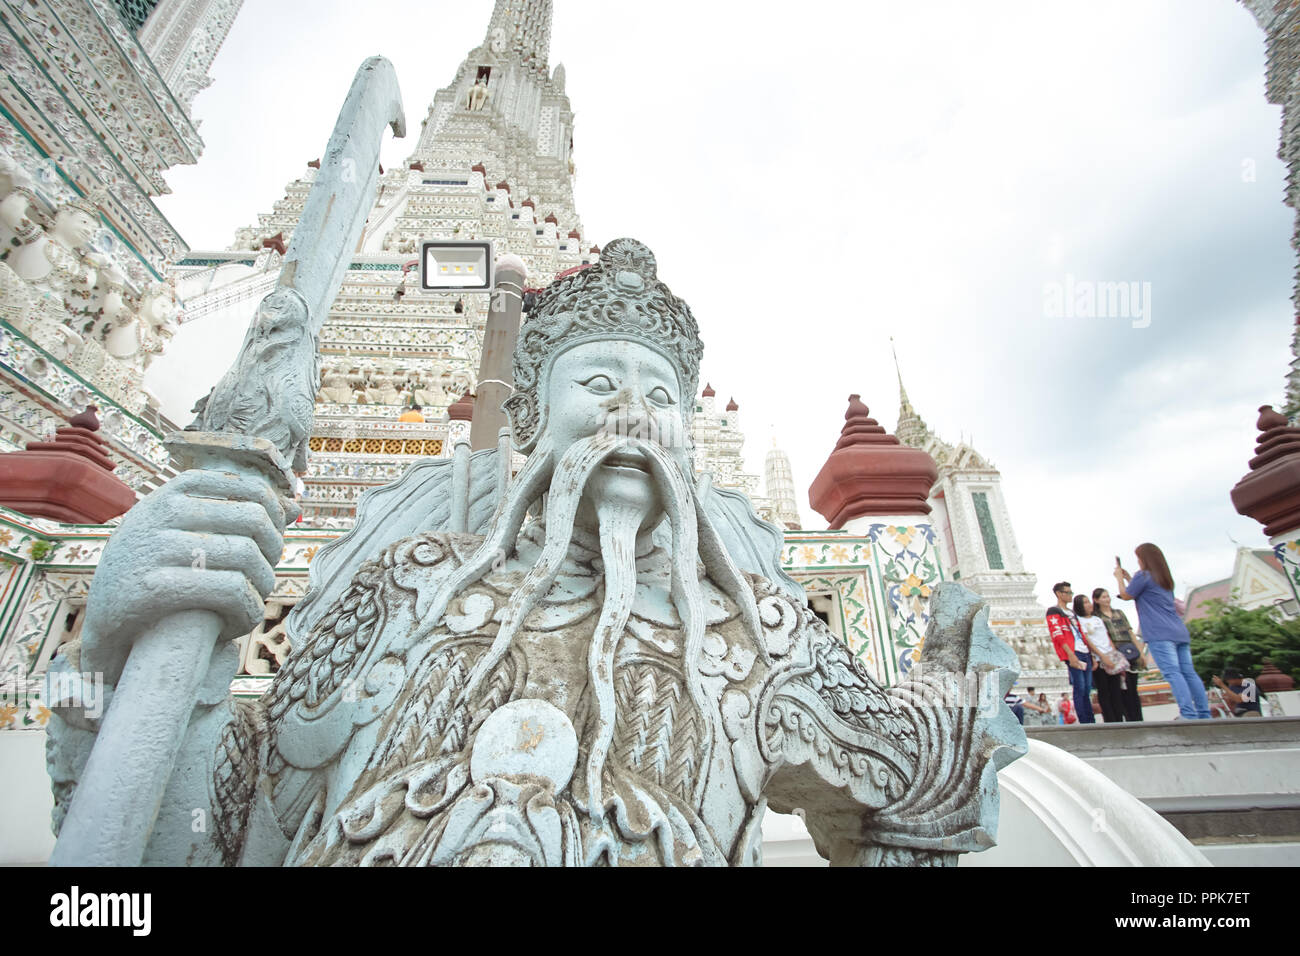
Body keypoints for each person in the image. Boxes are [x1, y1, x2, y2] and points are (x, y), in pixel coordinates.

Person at [1115, 544, 1211, 720]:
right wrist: (1130, 578)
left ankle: (1188, 714)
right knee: (1189, 673)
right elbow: (1143, 592)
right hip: (1178, 631)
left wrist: (1119, 578)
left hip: (1158, 632)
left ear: (1144, 559)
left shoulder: (1143, 576)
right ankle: (1204, 713)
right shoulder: (1164, 578)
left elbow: (1127, 595)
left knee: (1173, 673)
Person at [1092, 587, 1146, 722]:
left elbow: (1130, 632)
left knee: (1132, 687)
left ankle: (1137, 718)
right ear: (1096, 600)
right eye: (1103, 597)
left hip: (1129, 650)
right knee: (1120, 688)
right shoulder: (1097, 617)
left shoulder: (1119, 613)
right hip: (1114, 653)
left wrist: (1140, 652)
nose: (1107, 599)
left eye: (1108, 596)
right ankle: (1125, 717)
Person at [1046, 582, 1094, 723]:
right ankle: (1085, 721)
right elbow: (1057, 634)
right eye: (1067, 593)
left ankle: (1091, 719)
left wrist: (1091, 654)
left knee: (1087, 688)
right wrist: (1070, 655)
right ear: (1059, 594)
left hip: (1084, 651)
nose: (1070, 595)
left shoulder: (1072, 613)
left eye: (1071, 593)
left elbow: (1080, 632)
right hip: (1073, 652)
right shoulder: (1053, 611)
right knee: (1079, 687)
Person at [1074, 593, 1126, 723]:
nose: (1089, 604)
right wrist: (1100, 656)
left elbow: (1107, 637)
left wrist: (1115, 655)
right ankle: (1110, 720)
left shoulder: (1097, 619)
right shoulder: (1080, 621)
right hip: (1098, 659)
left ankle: (1119, 719)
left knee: (1116, 691)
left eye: (1088, 602)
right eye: (1085, 602)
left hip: (1110, 656)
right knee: (1104, 691)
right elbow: (1087, 640)